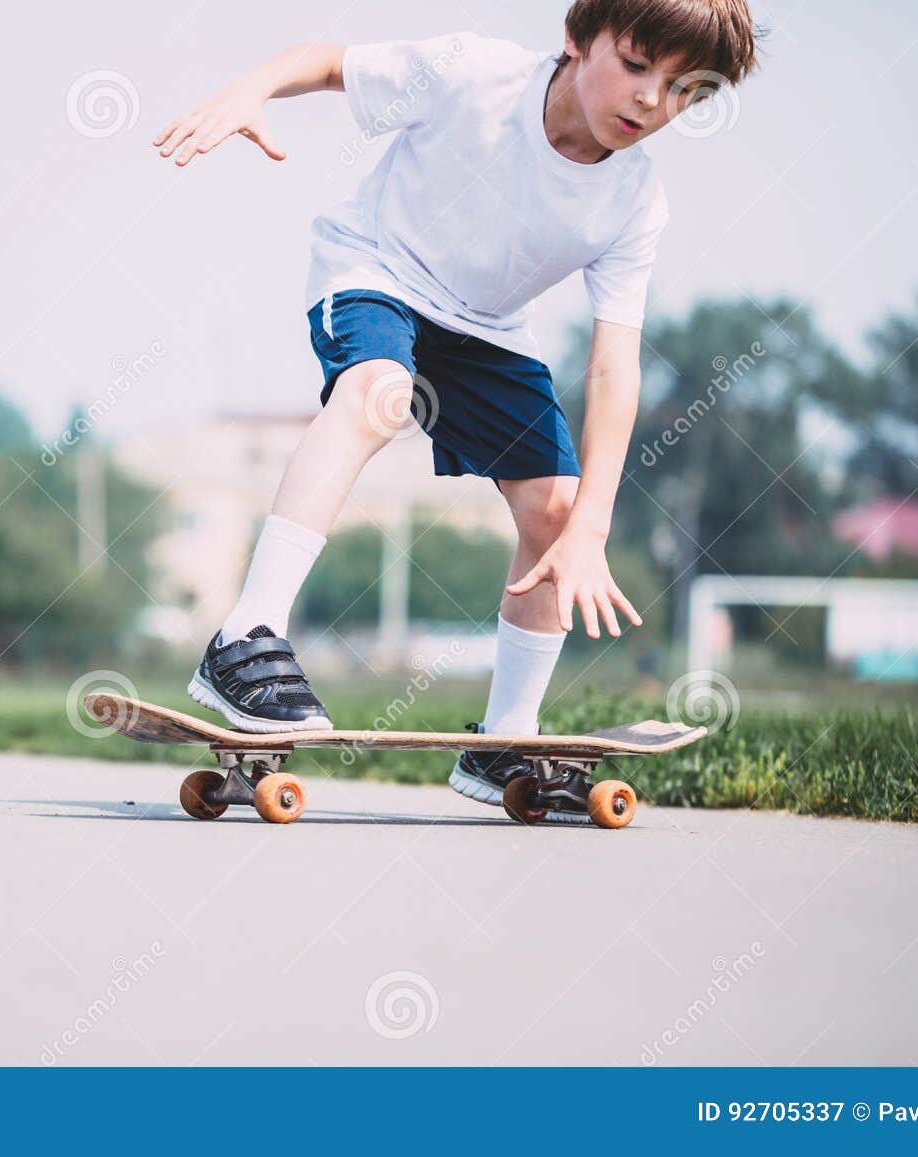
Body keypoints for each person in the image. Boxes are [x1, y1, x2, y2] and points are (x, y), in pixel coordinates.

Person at [154, 0, 759, 811]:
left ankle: (505, 738)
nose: (651, 100)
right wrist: (248, 91)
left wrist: (591, 527)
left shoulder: (633, 202)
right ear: (579, 39)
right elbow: (330, 61)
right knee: (379, 395)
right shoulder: (475, 73)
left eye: (682, 88)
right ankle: (246, 635)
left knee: (556, 507)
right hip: (377, 272)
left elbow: (616, 369)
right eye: (638, 64)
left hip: (487, 331)